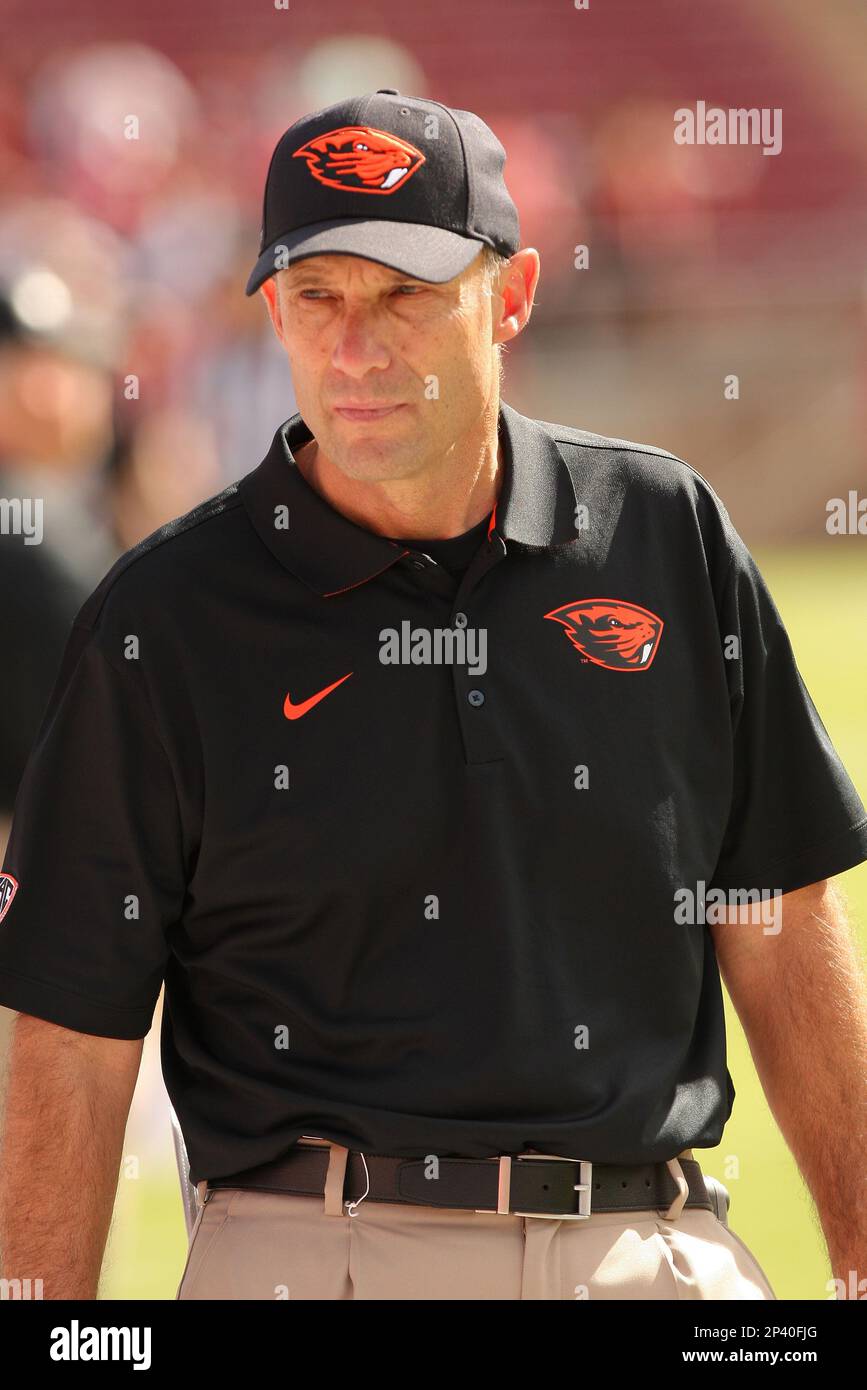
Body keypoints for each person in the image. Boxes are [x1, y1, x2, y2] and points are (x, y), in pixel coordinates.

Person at [1, 90, 866, 1301]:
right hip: (314, 1258)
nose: (356, 348)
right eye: (317, 298)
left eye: (406, 294)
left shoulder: (669, 538)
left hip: (657, 1255)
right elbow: (74, 1036)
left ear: (510, 296)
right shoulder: (163, 620)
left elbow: (781, 928)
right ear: (271, 313)